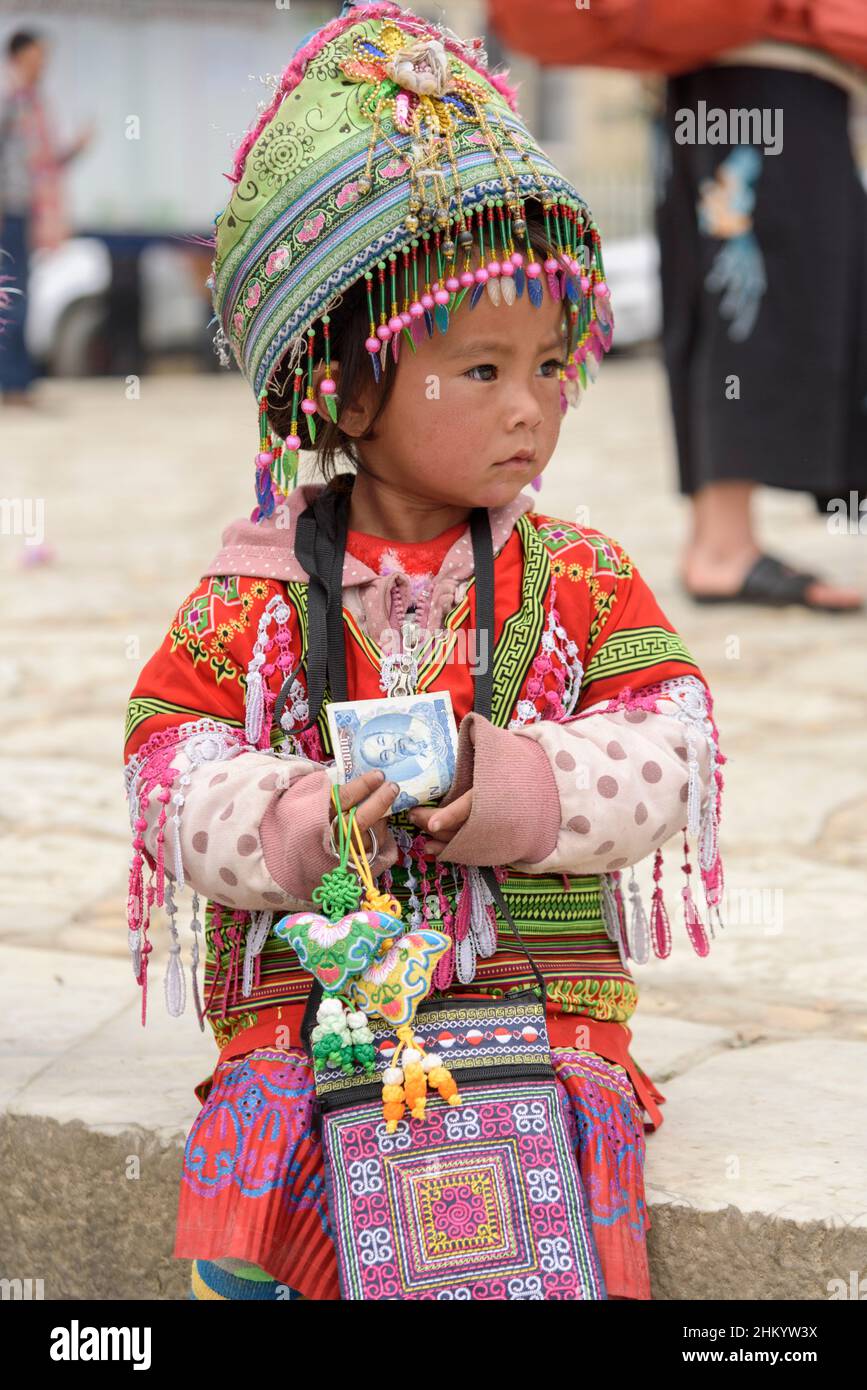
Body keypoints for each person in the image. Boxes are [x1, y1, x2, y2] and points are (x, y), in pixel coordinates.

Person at [123, 0, 726, 1302]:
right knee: (263, 1181)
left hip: (533, 1001)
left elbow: (672, 737)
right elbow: (168, 760)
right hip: (314, 1007)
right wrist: (287, 818)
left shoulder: (576, 580)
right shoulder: (256, 597)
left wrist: (516, 785)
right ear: (343, 391)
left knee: (553, 1165)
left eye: (552, 364)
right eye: (480, 370)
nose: (531, 406)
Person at [488, 0, 867, 611]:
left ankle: (721, 541)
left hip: (743, 68)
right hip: (758, 65)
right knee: (746, 299)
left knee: (738, 294)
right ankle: (723, 545)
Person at [0, 28, 93, 405]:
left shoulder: (32, 102)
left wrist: (75, 150)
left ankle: (19, 384)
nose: (44, 64)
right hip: (10, 213)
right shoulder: (8, 97)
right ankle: (11, 384)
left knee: (20, 294)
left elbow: (41, 164)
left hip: (26, 211)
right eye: (38, 56)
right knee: (11, 296)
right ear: (19, 55)